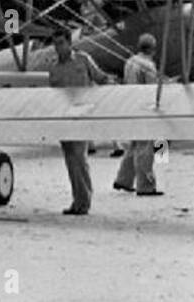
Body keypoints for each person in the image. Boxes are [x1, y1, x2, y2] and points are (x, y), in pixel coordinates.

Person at [48, 28, 109, 215]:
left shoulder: (83, 59)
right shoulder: (53, 67)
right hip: (64, 117)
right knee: (71, 160)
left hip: (82, 114)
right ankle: (78, 201)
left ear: (69, 43)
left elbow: (100, 78)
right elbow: (52, 94)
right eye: (55, 44)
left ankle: (83, 201)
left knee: (79, 158)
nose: (58, 48)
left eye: (61, 43)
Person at [114, 33, 163, 197]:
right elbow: (152, 89)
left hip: (131, 106)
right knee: (146, 148)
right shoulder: (148, 65)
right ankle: (146, 186)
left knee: (134, 145)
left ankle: (123, 180)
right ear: (153, 49)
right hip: (145, 109)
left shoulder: (130, 62)